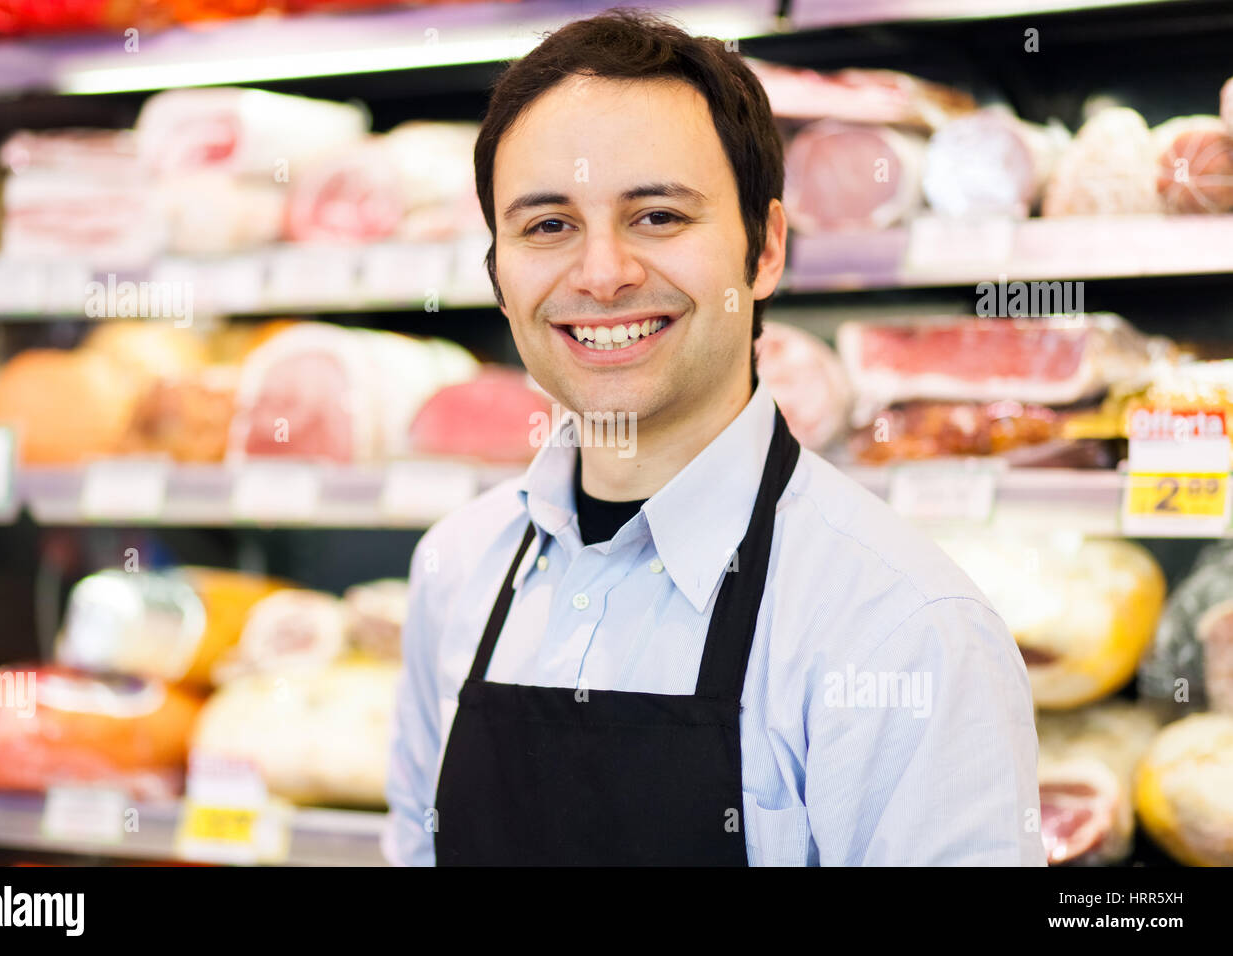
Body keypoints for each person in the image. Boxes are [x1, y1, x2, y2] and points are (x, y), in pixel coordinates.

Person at [384, 8, 1045, 866]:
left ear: (765, 249)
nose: (602, 273)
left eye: (657, 216)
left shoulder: (902, 629)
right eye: (548, 226)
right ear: (499, 276)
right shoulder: (455, 571)